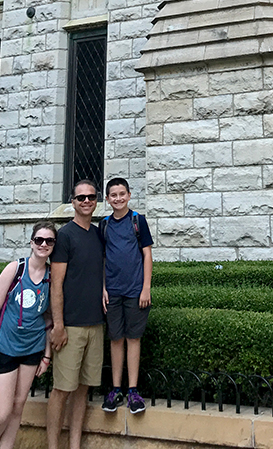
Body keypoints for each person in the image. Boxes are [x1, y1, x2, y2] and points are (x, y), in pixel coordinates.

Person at [0, 220, 56, 449]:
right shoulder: (16, 269)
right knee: (2, 412)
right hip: (6, 348)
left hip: (32, 349)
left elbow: (50, 318)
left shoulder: (52, 277)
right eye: (39, 240)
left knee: (18, 406)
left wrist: (47, 355)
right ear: (31, 242)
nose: (43, 244)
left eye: (49, 241)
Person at [47, 179, 105, 449]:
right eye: (80, 197)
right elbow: (56, 284)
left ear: (96, 201)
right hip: (70, 327)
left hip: (96, 324)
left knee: (83, 390)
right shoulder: (65, 236)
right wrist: (58, 325)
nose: (86, 201)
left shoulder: (97, 234)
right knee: (61, 391)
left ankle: (74, 445)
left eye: (91, 197)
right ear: (72, 202)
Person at [99, 177, 153, 415]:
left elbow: (147, 255)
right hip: (112, 292)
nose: (118, 198)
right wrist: (102, 287)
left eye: (122, 194)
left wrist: (146, 288)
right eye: (113, 195)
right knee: (115, 339)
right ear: (108, 199)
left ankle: (133, 390)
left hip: (135, 291)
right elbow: (101, 259)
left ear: (129, 195)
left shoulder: (137, 221)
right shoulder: (104, 225)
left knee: (133, 338)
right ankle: (116, 389)